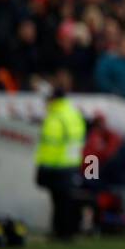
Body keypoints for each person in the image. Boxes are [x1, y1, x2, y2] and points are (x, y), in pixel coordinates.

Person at [35, 86, 86, 241]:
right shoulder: (73, 114)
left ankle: (61, 232)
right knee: (65, 200)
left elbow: (50, 143)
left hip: (56, 164)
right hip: (71, 163)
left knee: (59, 201)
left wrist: (43, 165)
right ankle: (67, 232)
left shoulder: (55, 116)